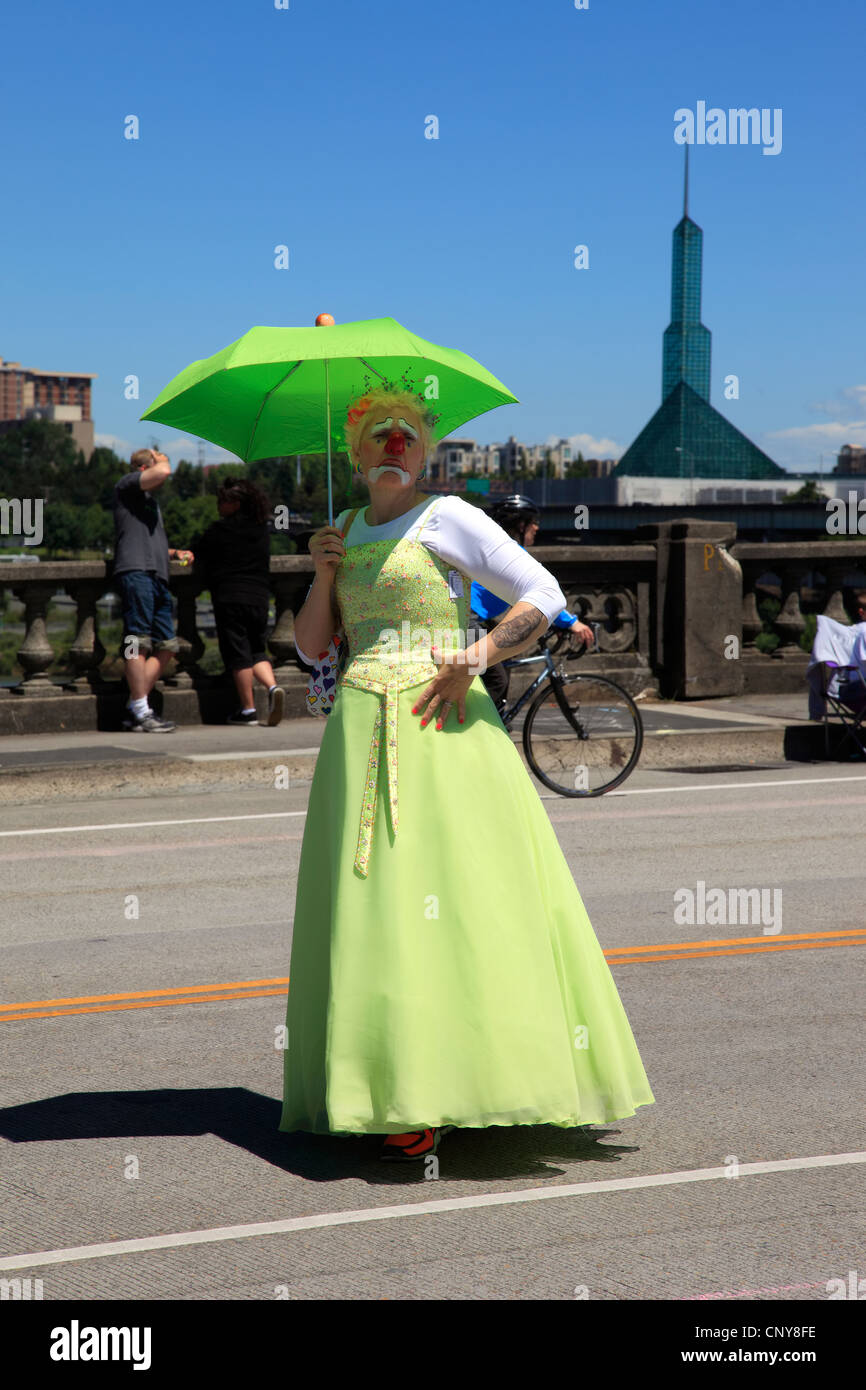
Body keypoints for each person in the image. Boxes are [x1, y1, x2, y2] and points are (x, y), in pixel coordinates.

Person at [278, 387, 654, 1162]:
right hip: (359, 729)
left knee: (462, 903)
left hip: (443, 724)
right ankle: (389, 1092)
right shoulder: (341, 531)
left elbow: (542, 596)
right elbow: (314, 650)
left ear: (425, 451)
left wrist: (476, 658)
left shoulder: (449, 516)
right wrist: (321, 574)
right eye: (377, 435)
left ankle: (468, 1084)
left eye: (406, 435)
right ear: (354, 451)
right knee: (374, 912)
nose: (391, 445)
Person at [469, 494, 595, 715]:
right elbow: (540, 597)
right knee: (496, 681)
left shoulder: (500, 549)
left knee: (503, 660)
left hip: (474, 618)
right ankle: (474, 736)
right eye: (533, 522)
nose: (537, 528)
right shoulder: (512, 554)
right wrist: (572, 623)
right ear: (520, 524)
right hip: (468, 621)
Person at [112, 449, 194, 732]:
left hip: (157, 575)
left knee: (167, 647)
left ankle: (135, 707)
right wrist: (163, 461)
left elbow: (150, 540)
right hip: (136, 573)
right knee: (138, 642)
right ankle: (140, 710)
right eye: (157, 460)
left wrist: (173, 553)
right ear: (145, 467)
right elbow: (163, 472)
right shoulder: (127, 484)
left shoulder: (149, 502)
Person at [194, 478, 285, 726]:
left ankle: (248, 711)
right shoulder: (261, 529)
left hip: (230, 597)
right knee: (257, 649)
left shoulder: (219, 531)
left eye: (221, 501)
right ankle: (272, 686)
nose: (218, 506)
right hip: (259, 597)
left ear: (234, 504)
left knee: (238, 654)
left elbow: (200, 555)